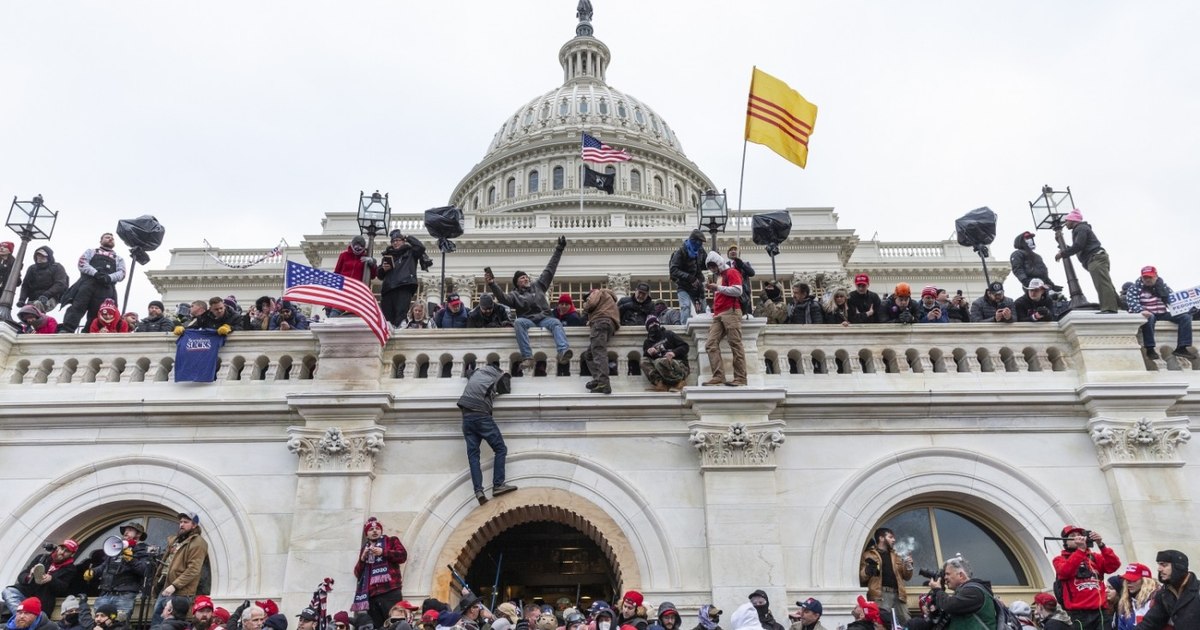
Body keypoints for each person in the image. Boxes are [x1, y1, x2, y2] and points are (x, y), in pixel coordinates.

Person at [486, 236, 572, 369]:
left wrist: (559, 249)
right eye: (522, 277)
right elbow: (502, 298)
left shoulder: (539, 285)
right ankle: (527, 356)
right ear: (517, 283)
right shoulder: (514, 295)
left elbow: (550, 269)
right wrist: (492, 284)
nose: (525, 278)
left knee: (556, 322)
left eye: (526, 276)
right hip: (528, 320)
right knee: (518, 322)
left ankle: (563, 351)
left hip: (545, 318)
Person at [456, 365, 517, 505]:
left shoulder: (476, 373)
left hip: (466, 417)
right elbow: (506, 388)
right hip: (481, 416)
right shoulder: (499, 374)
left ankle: (478, 491)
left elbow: (468, 372)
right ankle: (498, 485)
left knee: (473, 456)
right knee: (501, 448)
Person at [1052, 525, 1121, 630]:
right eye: (1073, 535)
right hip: (1078, 614)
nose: (1078, 537)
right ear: (1065, 541)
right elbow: (1064, 572)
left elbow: (1114, 565)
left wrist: (1101, 544)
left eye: (1080, 535)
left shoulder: (1094, 557)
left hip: (1100, 612)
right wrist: (1080, 550)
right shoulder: (1059, 559)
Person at [1125, 265, 1198, 360]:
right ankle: (1150, 348)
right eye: (1145, 277)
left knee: (1186, 317)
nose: (1147, 279)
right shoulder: (1134, 288)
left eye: (1150, 277)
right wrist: (1141, 310)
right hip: (1147, 313)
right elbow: (1132, 301)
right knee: (1149, 319)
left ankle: (1182, 347)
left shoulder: (1164, 287)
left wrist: (1188, 309)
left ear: (1156, 276)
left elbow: (1174, 302)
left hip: (1162, 313)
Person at [60, 233, 127, 333]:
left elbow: (122, 272)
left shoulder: (118, 258)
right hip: (87, 284)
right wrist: (95, 273)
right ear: (101, 240)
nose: (110, 239)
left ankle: (89, 332)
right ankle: (67, 329)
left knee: (98, 312)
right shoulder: (91, 251)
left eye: (112, 238)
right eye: (107, 237)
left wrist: (109, 278)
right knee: (77, 307)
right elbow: (82, 263)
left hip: (106, 288)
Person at [1055, 209, 1119, 313]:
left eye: (1067, 221)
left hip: (1095, 258)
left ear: (1073, 220)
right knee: (1105, 283)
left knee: (1102, 284)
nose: (1065, 224)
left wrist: (1063, 254)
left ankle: (1109, 308)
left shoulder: (1080, 228)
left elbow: (1078, 246)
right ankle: (1119, 306)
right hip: (1096, 258)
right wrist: (1063, 246)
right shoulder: (1081, 229)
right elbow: (1081, 247)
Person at [152, 513, 208, 626]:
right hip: (164, 588)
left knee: (171, 625)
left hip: (180, 593)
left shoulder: (198, 542)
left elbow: (193, 569)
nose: (181, 525)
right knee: (157, 624)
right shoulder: (175, 540)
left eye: (186, 522)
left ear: (194, 525)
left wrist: (174, 585)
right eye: (181, 522)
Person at [86, 522, 151, 621]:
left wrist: (131, 560)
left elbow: (145, 570)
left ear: (138, 534)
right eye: (125, 530)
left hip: (125, 595)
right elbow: (104, 566)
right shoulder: (115, 548)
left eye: (130, 530)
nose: (126, 532)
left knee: (120, 624)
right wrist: (93, 572)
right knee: (99, 623)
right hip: (106, 593)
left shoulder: (143, 550)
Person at [353, 517, 409, 628]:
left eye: (377, 528)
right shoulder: (365, 548)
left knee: (396, 625)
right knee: (377, 626)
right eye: (371, 529)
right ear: (367, 534)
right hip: (372, 596)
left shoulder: (391, 540)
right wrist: (363, 559)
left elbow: (402, 556)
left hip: (390, 592)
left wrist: (383, 552)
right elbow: (358, 573)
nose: (374, 531)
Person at [2, 539, 79, 620]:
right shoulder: (42, 558)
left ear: (72, 554)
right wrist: (30, 575)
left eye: (67, 551)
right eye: (62, 549)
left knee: (36, 617)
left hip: (42, 601)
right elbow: (21, 576)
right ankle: (22, 618)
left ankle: (24, 620)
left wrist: (51, 579)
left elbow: (63, 588)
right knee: (8, 591)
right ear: (58, 548)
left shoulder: (71, 569)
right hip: (26, 593)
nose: (62, 552)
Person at [701, 251, 746, 387]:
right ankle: (718, 376)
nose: (712, 270)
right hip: (719, 314)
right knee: (710, 344)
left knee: (735, 344)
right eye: (710, 268)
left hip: (731, 311)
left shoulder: (731, 272)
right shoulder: (721, 276)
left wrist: (718, 288)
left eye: (713, 266)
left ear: (719, 263)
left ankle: (741, 378)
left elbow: (738, 290)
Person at [859, 527, 913, 625]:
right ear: (881, 538)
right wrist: (867, 570)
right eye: (890, 537)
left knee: (906, 622)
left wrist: (908, 566)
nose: (894, 540)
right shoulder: (868, 555)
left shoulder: (896, 555)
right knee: (881, 623)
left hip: (898, 595)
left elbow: (907, 577)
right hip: (880, 595)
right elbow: (862, 577)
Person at [1134, 549, 1198, 629]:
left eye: (1164, 565)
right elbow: (1151, 622)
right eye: (1159, 565)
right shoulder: (1164, 594)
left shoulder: (1198, 591)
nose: (1159, 569)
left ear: (1178, 566)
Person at [928, 556, 995, 629]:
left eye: (948, 574)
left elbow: (948, 605)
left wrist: (938, 590)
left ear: (961, 575)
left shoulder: (974, 591)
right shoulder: (962, 594)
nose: (945, 578)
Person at [378, 229, 427, 328]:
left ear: (403, 240)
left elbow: (420, 247)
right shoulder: (388, 255)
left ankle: (399, 332)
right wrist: (383, 269)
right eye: (393, 241)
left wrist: (407, 237)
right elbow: (379, 275)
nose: (395, 243)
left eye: (398, 240)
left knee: (400, 315)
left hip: (403, 286)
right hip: (388, 289)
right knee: (387, 317)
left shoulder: (410, 252)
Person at [581, 287, 620, 394]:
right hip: (608, 324)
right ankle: (599, 379)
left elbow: (591, 304)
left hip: (600, 323)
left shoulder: (598, 292)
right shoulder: (609, 299)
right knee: (589, 354)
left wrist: (586, 306)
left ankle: (604, 383)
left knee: (598, 352)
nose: (587, 299)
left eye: (587, 297)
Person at [641, 315, 690, 391]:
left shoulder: (669, 334)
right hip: (661, 366)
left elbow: (685, 346)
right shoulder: (647, 342)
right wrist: (648, 352)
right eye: (651, 323)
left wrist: (673, 353)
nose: (654, 324)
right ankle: (660, 384)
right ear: (648, 328)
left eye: (655, 322)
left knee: (660, 361)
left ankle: (679, 383)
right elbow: (647, 358)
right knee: (644, 361)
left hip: (679, 365)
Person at [668, 229, 707, 325]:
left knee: (702, 307)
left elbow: (704, 265)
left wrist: (714, 259)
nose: (699, 245)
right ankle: (684, 327)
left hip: (697, 286)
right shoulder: (681, 251)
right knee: (685, 306)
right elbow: (673, 269)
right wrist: (689, 277)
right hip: (683, 285)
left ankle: (703, 326)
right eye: (698, 242)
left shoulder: (701, 251)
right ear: (693, 241)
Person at [17, 246, 69, 312]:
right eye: (38, 255)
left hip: (50, 298)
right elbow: (25, 285)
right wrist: (22, 299)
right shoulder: (32, 268)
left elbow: (60, 284)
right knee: (25, 312)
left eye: (43, 255)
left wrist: (46, 294)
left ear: (48, 257)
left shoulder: (57, 267)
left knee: (37, 306)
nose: (39, 257)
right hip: (33, 298)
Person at [1115, 563, 1156, 630]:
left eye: (1133, 579)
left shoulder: (1156, 600)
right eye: (1127, 579)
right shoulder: (1125, 604)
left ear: (1145, 581)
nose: (1128, 583)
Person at [726, 245, 755, 315]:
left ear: (739, 253)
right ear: (728, 254)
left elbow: (752, 273)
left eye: (735, 250)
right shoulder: (725, 265)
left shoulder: (745, 264)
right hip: (729, 293)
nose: (733, 251)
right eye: (731, 250)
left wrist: (742, 265)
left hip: (743, 295)